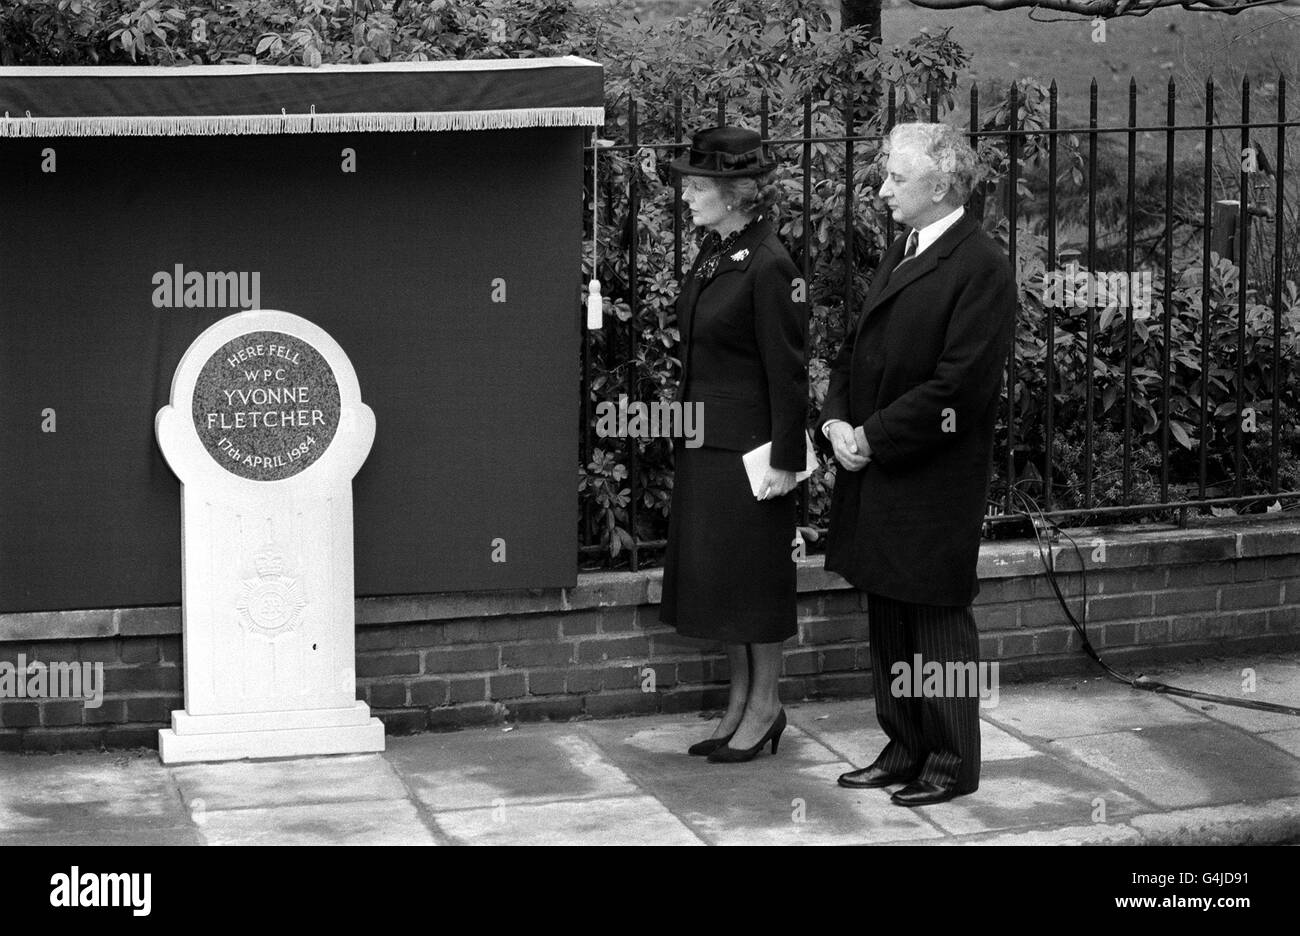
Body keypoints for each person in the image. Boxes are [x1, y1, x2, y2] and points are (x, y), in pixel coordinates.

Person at [818, 122, 1016, 805]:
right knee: (889, 615)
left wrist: (871, 437)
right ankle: (904, 745)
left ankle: (951, 761)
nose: (882, 191)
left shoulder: (981, 263)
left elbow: (958, 385)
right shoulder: (905, 246)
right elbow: (857, 346)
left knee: (935, 621)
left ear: (941, 185)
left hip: (930, 478)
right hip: (877, 465)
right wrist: (836, 419)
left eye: (896, 179)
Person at [658, 125, 809, 763]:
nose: (686, 196)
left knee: (755, 580)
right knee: (722, 581)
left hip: (751, 455)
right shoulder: (719, 251)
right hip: (707, 446)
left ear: (733, 192)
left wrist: (785, 462)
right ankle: (739, 703)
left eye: (696, 185)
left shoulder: (771, 264)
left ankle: (767, 705)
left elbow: (789, 371)